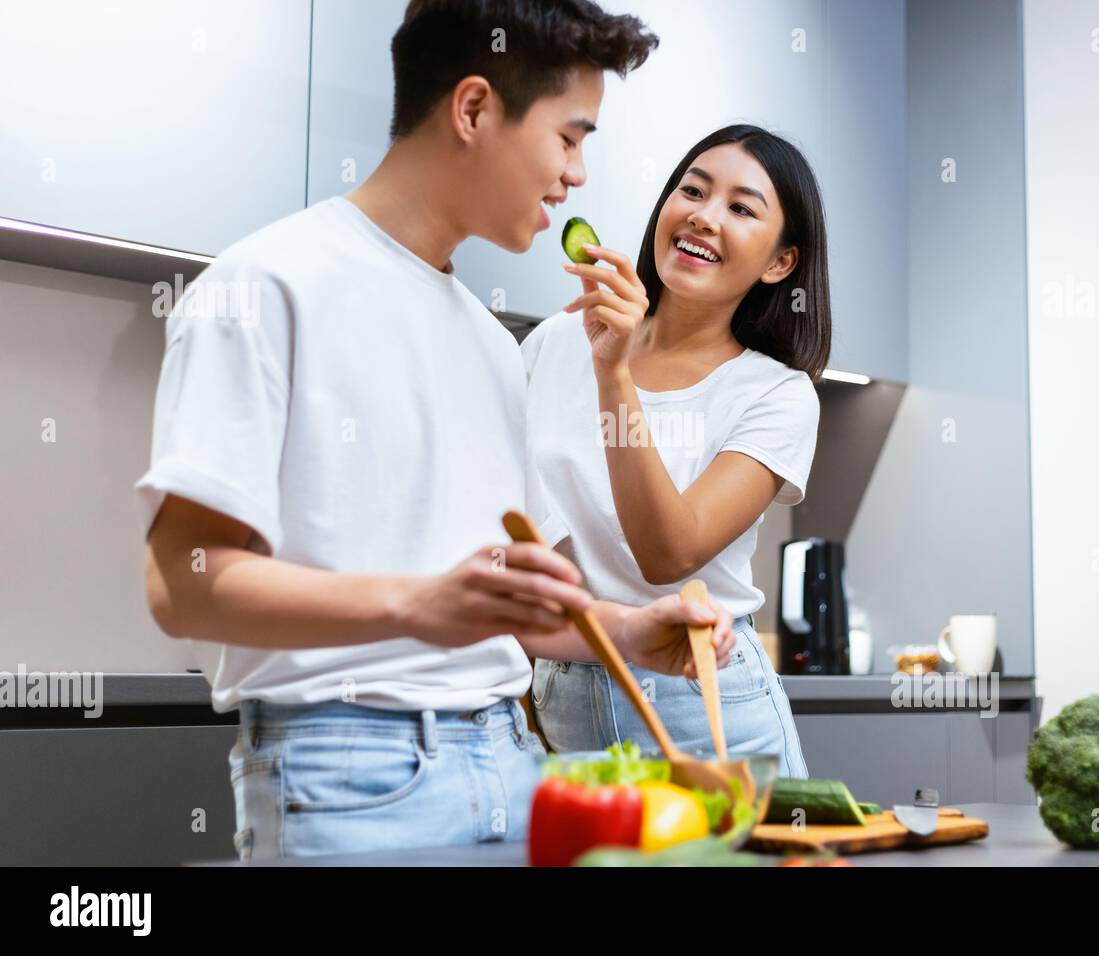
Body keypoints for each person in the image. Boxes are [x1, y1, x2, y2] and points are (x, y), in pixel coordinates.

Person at [135, 0, 735, 861]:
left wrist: (623, 631)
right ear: (474, 109)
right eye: (570, 137)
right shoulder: (265, 285)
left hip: (508, 761)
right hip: (348, 776)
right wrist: (419, 605)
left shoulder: (497, 344)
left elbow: (496, 611)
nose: (576, 176)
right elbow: (180, 584)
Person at [522, 125, 832, 777]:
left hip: (708, 702)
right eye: (692, 190)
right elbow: (513, 534)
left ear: (780, 263)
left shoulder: (777, 395)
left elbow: (668, 552)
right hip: (562, 693)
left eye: (742, 208)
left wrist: (615, 372)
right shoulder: (553, 343)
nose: (703, 216)